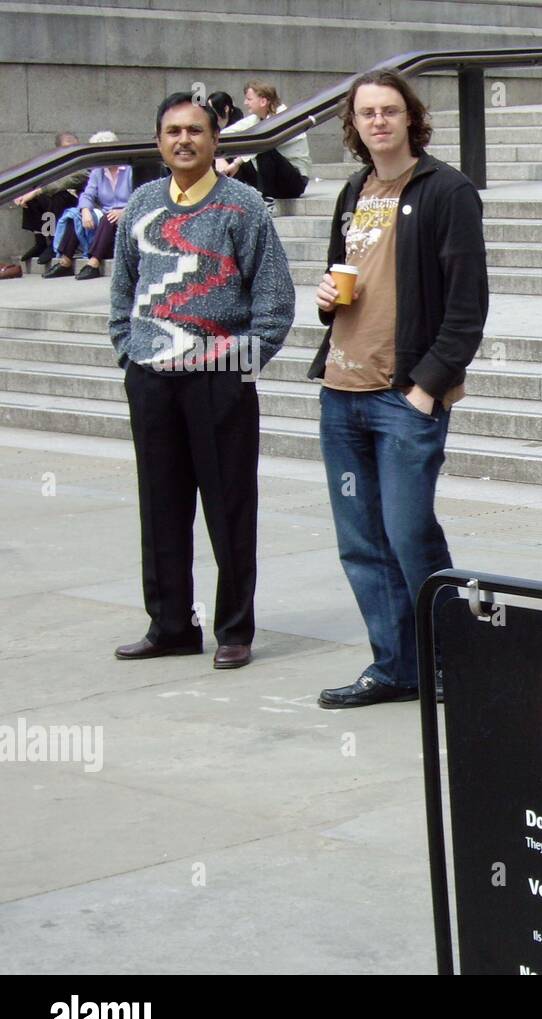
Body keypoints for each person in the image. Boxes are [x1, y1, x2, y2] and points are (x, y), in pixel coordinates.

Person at [311, 68, 488, 709]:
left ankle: (450, 662)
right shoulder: (354, 190)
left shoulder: (446, 191)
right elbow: (343, 279)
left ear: (410, 117)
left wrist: (427, 388)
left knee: (409, 534)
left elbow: (468, 305)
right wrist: (327, 301)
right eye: (366, 113)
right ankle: (394, 669)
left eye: (390, 110)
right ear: (353, 125)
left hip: (402, 394)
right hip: (341, 389)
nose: (379, 121)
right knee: (361, 542)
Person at [108, 93, 294, 670]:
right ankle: (169, 625)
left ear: (216, 141)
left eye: (195, 130)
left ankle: (234, 628)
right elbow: (123, 289)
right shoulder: (140, 204)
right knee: (160, 507)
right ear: (159, 141)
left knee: (229, 506)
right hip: (152, 380)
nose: (183, 140)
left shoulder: (244, 208)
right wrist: (128, 351)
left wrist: (237, 370)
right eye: (172, 131)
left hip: (219, 383)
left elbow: (276, 301)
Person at [44, 132, 132, 280]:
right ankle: (65, 262)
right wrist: (85, 210)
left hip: (128, 215)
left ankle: (94, 263)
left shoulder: (130, 169)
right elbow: (87, 195)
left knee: (108, 217)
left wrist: (124, 211)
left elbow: (140, 196)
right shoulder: (98, 171)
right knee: (75, 216)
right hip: (107, 216)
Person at [217, 79, 313, 199]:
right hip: (272, 180)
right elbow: (225, 134)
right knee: (229, 149)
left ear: (263, 101)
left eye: (249, 99)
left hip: (294, 182)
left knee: (264, 148)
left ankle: (267, 200)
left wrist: (237, 162)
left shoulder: (284, 116)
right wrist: (219, 157)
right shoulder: (256, 119)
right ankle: (233, 197)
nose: (245, 102)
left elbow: (264, 141)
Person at [12, 132, 84, 266]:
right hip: (56, 201)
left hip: (76, 203)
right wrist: (23, 194)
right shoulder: (53, 164)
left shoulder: (82, 164)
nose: (71, 151)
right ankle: (40, 242)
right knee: (32, 198)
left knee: (57, 196)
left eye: (74, 147)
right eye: (66, 148)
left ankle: (53, 242)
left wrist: (37, 192)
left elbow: (65, 182)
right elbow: (37, 180)